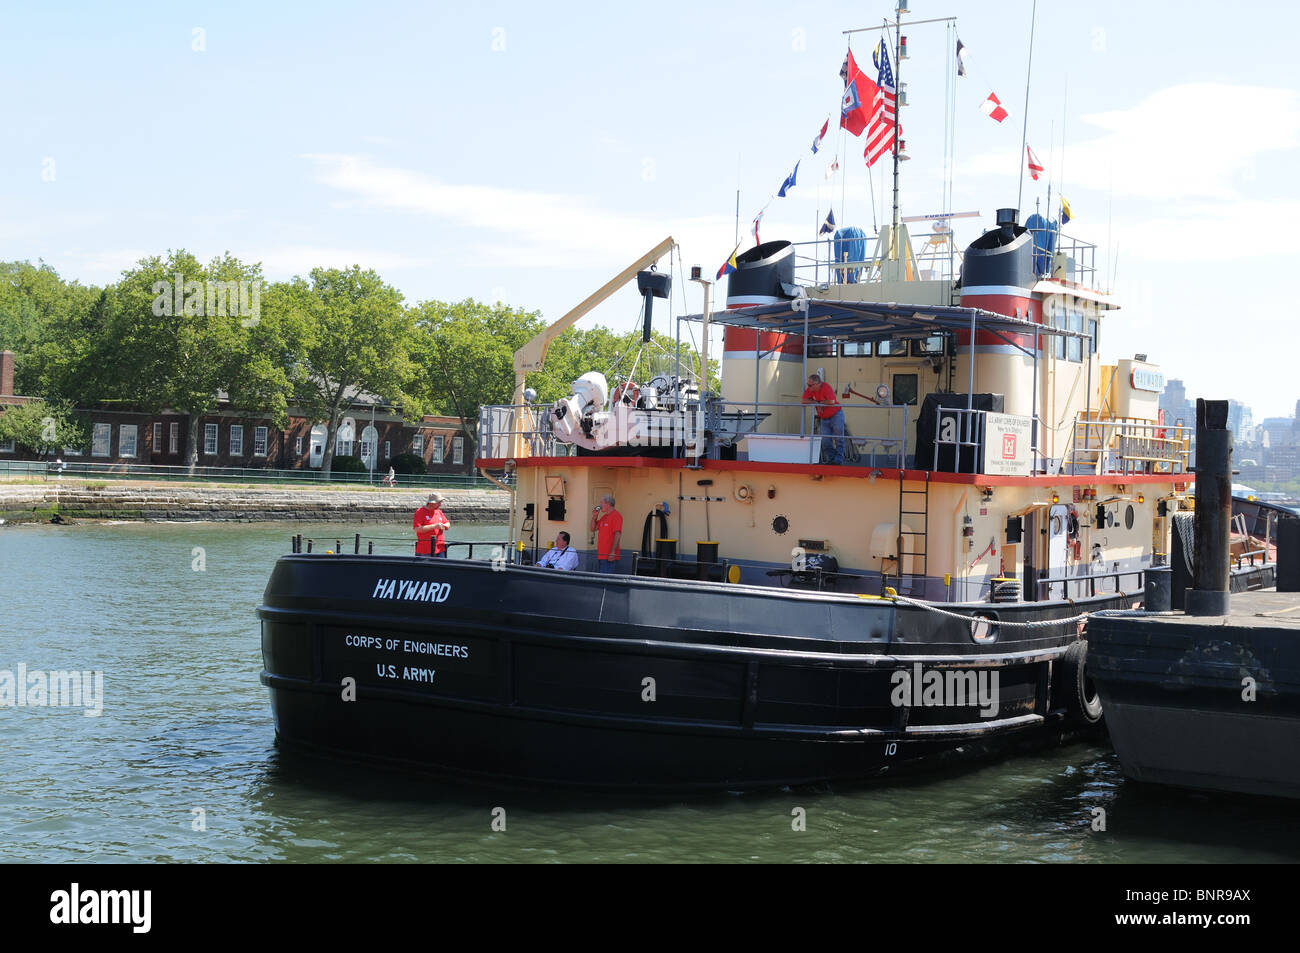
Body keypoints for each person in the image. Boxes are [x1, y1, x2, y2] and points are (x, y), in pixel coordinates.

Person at [802, 373, 846, 465]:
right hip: (824, 418)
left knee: (839, 439)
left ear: (817, 383)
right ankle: (832, 460)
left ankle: (838, 461)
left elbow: (831, 401)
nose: (808, 387)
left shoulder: (826, 387)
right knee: (825, 441)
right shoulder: (811, 390)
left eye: (810, 385)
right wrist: (817, 403)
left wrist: (821, 403)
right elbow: (803, 400)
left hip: (836, 415)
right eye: (808, 385)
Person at [590, 494, 623, 573]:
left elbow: (617, 534)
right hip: (601, 555)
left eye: (601, 503)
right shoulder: (604, 517)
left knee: (606, 582)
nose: (600, 505)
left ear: (608, 504)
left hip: (609, 555)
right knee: (602, 581)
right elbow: (593, 529)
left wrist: (612, 552)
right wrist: (594, 517)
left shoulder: (616, 516)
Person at [413, 492, 451, 557]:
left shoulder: (438, 511)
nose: (440, 504)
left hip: (440, 549)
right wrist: (434, 526)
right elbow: (417, 529)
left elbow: (447, 522)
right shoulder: (420, 512)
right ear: (431, 503)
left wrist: (446, 526)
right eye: (438, 502)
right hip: (425, 551)